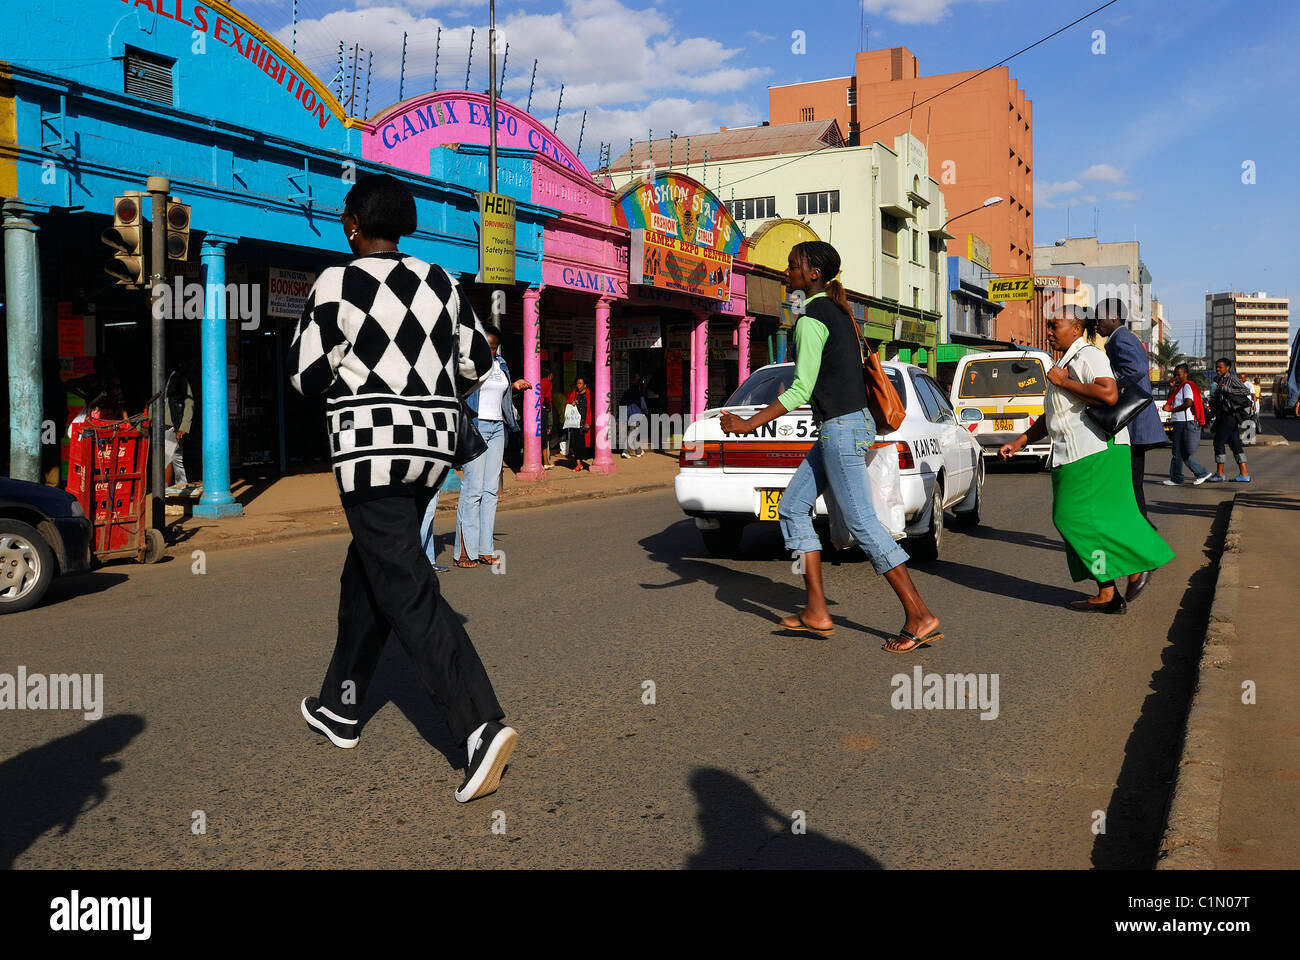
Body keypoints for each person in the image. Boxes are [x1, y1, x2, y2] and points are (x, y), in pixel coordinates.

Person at [288, 173, 517, 804]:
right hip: (432, 452)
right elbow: (475, 362)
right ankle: (340, 705)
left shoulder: (335, 284)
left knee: (407, 584)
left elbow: (305, 377)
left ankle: (478, 725)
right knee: (371, 569)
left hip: (371, 456)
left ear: (353, 225)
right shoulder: (441, 279)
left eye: (344, 215)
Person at [719, 240, 941, 653]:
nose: (788, 273)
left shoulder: (809, 318)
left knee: (862, 523)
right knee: (791, 507)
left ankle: (919, 614)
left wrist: (749, 421)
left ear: (813, 274)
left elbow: (801, 387)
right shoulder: (839, 312)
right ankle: (817, 611)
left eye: (793, 266)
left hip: (839, 430)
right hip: (841, 428)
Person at [1000, 306, 1174, 610]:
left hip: (1094, 450)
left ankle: (1138, 565)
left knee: (1071, 517)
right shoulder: (1067, 360)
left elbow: (1108, 394)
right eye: (1049, 326)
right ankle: (1107, 591)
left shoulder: (1088, 355)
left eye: (1055, 326)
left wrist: (1064, 381)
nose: (1050, 331)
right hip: (1077, 451)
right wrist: (1022, 440)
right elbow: (1056, 412)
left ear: (1077, 329)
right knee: (1091, 518)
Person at [453, 322, 531, 567]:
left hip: (498, 428)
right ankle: (464, 551)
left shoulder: (502, 365)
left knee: (490, 492)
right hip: (476, 428)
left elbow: (501, 395)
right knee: (472, 490)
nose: (492, 352)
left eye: (495, 348)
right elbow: (459, 394)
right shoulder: (468, 367)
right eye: (488, 347)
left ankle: (485, 549)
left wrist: (515, 386)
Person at [1095, 299, 1165, 528]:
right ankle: (1143, 532)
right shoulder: (1118, 339)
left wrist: (1109, 383)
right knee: (1131, 483)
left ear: (1114, 318)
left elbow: (1136, 369)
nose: (1097, 323)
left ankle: (1144, 535)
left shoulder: (1121, 338)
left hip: (1134, 422)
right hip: (1135, 423)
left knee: (1132, 484)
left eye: (1100, 318)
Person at [1163, 363, 1212, 486]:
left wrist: (1172, 410)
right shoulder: (1179, 387)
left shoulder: (1187, 386)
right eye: (1174, 375)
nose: (1176, 377)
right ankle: (1201, 473)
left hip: (1183, 422)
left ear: (1185, 374)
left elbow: (1188, 403)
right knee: (1183, 453)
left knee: (1177, 452)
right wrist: (1171, 387)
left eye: (1178, 375)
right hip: (1180, 421)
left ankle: (1177, 478)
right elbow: (1171, 400)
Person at [1207, 357, 1252, 482]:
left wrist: (1227, 389)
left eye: (1220, 367)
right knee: (1235, 444)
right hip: (1223, 416)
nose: (1218, 369)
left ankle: (1220, 474)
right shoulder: (1219, 380)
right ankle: (1244, 474)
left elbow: (1245, 390)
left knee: (1218, 442)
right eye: (1217, 367)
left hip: (1230, 416)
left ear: (1228, 368)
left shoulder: (1231, 379)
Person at [164, 358, 194, 491]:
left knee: (170, 458)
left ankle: (167, 490)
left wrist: (183, 426)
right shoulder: (161, 380)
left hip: (173, 425)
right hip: (163, 425)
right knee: (174, 458)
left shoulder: (179, 380)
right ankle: (180, 488)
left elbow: (189, 403)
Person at [566, 377, 593, 471]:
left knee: (583, 445)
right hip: (575, 423)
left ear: (585, 385)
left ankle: (582, 462)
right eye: (577, 383)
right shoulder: (574, 394)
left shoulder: (589, 394)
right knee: (576, 444)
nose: (578, 385)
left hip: (584, 423)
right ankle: (578, 464)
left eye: (580, 383)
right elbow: (568, 405)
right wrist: (572, 403)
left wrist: (588, 422)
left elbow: (591, 409)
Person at [620, 376, 649, 458]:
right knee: (632, 434)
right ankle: (626, 451)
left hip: (628, 415)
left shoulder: (625, 393)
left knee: (632, 433)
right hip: (636, 416)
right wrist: (645, 412)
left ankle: (638, 451)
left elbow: (621, 404)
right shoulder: (639, 393)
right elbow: (643, 405)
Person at [539, 366, 554, 470]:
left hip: (533, 410)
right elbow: (548, 397)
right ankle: (545, 462)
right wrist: (549, 406)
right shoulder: (547, 383)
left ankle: (545, 461)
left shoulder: (537, 381)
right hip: (542, 410)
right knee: (544, 437)